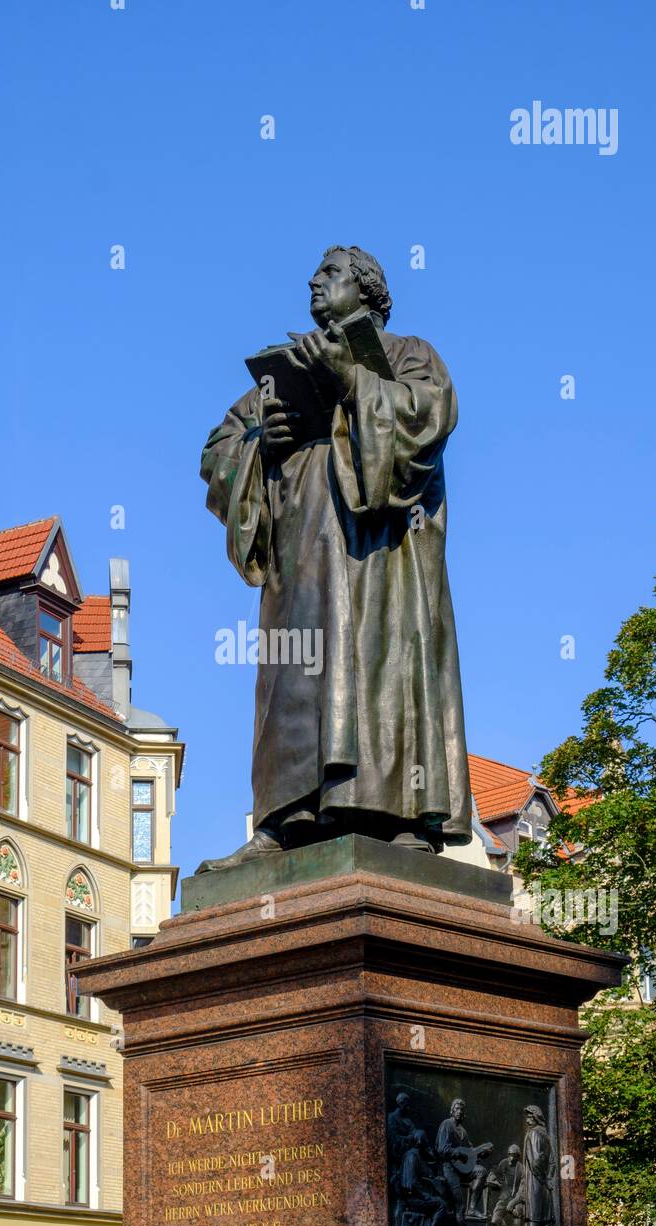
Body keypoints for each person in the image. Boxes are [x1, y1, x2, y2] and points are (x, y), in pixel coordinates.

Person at [198, 246, 471, 871]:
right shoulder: (284, 369)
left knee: (384, 668)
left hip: (380, 557)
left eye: (330, 274)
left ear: (368, 290)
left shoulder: (408, 355)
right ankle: (282, 821)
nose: (314, 283)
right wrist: (257, 443)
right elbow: (215, 453)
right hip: (299, 557)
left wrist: (352, 380)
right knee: (292, 679)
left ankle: (403, 817)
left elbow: (431, 416)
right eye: (316, 275)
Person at [518, 1106, 557, 1226]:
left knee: (534, 1213)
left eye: (529, 1117)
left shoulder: (533, 1133)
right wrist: (549, 1178)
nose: (527, 1120)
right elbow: (552, 1161)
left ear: (535, 1118)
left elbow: (536, 1160)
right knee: (547, 1214)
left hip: (536, 1179)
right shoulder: (545, 1135)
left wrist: (542, 1179)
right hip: (545, 1179)